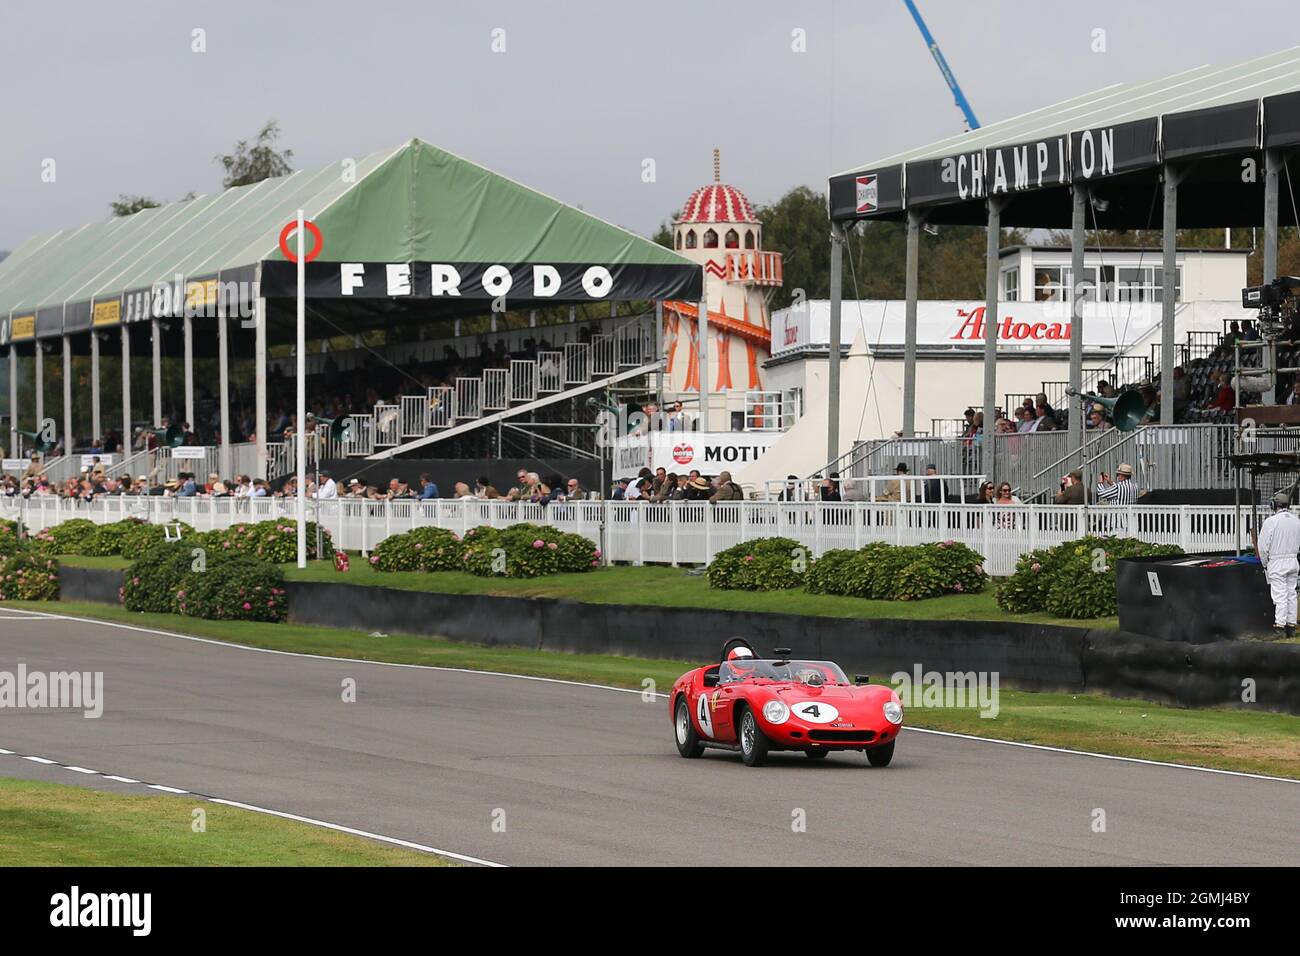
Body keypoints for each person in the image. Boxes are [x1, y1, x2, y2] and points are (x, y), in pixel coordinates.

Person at [1257, 491, 1300, 636]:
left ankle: (1280, 626)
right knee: (1291, 594)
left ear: (1274, 505)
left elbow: (1263, 547)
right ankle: (1291, 625)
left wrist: (1265, 564)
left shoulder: (1271, 521)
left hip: (1277, 561)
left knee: (1280, 595)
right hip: (1293, 560)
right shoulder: (1296, 520)